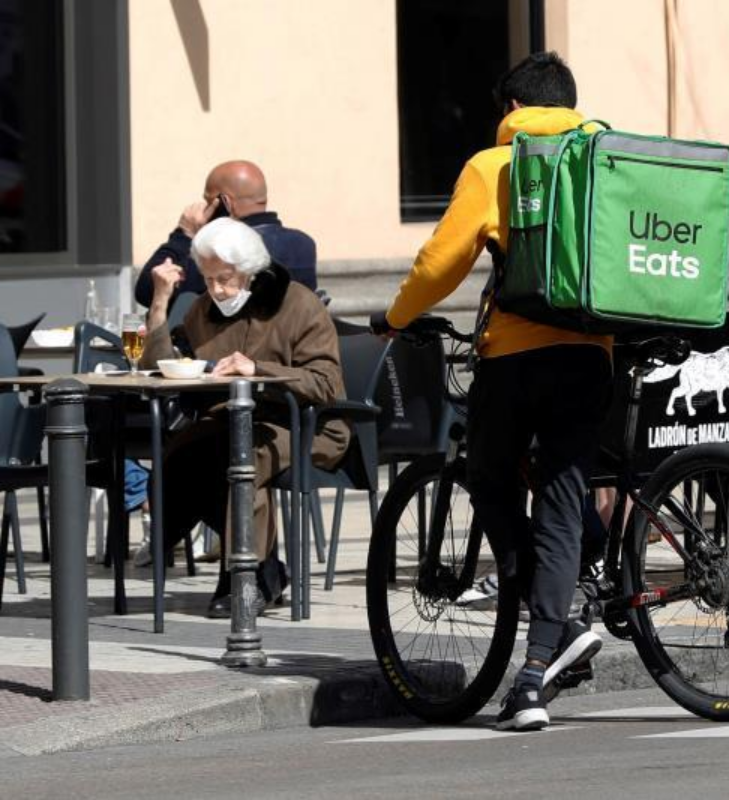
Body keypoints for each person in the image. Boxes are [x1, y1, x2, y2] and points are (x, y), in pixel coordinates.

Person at [372, 52, 610, 732]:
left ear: (511, 109)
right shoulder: (607, 158)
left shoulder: (495, 164)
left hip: (516, 357)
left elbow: (442, 262)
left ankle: (558, 633)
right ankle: (535, 674)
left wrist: (395, 316)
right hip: (596, 355)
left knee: (490, 479)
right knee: (566, 499)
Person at [141, 218, 348, 617]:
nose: (217, 289)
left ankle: (243, 577)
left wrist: (258, 369)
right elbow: (159, 368)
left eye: (226, 278)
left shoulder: (298, 303)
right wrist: (161, 301)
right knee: (183, 455)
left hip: (302, 423)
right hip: (230, 421)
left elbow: (325, 383)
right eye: (209, 278)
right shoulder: (202, 310)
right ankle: (267, 569)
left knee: (243, 458)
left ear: (251, 269)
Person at [134, 160, 317, 309]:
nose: (204, 209)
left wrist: (183, 234)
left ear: (225, 203)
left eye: (207, 201)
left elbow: (147, 293)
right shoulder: (304, 244)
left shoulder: (218, 249)